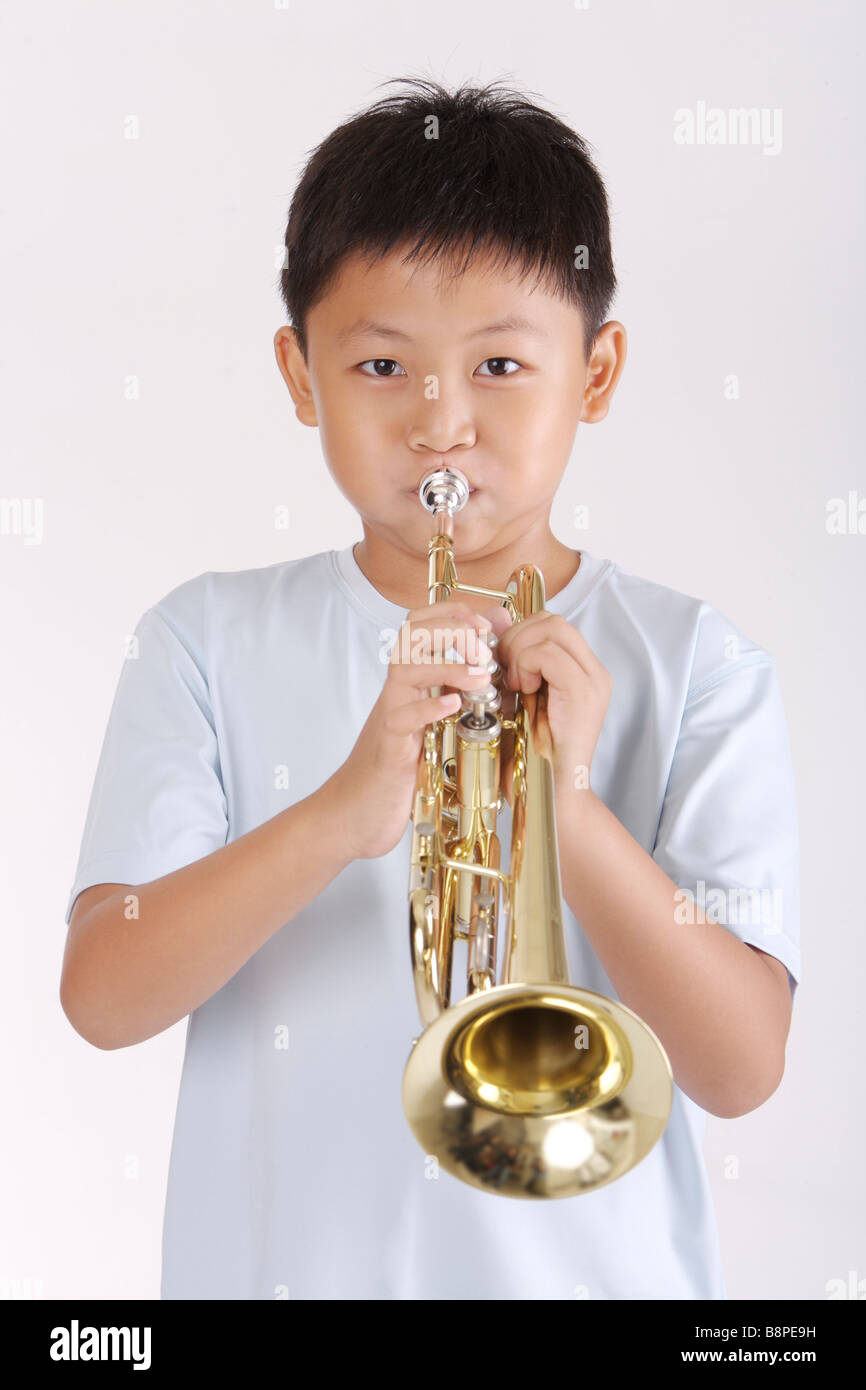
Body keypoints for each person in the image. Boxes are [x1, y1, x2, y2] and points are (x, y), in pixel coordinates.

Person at [60, 77, 800, 1300]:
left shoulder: (697, 662)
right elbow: (100, 993)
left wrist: (569, 812)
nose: (441, 421)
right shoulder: (204, 638)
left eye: (501, 363)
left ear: (596, 373)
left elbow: (740, 1067)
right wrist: (343, 810)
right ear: (301, 377)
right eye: (382, 364)